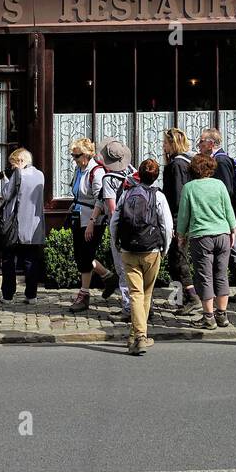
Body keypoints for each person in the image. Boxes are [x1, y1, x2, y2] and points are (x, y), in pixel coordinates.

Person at [114, 156, 174, 355]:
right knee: (145, 294)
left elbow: (115, 220)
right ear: (156, 176)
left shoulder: (127, 193)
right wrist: (165, 247)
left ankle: (136, 335)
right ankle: (141, 336)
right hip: (151, 249)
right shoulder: (158, 196)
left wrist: (116, 242)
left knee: (135, 294)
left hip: (129, 249)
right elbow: (166, 225)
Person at [197, 127, 236, 303]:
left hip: (224, 214)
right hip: (224, 214)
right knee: (232, 248)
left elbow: (226, 190)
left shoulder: (221, 161)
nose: (199, 145)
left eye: (201, 142)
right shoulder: (218, 159)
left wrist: (223, 213)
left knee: (233, 248)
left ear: (210, 143)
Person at [177, 153, 236, 330]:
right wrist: (233, 230)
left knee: (204, 276)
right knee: (221, 274)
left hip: (201, 236)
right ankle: (222, 315)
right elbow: (228, 209)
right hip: (222, 234)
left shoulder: (189, 188)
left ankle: (208, 317)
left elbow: (184, 215)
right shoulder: (219, 185)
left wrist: (181, 235)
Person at [68, 137, 114, 313]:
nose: (75, 159)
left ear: (87, 155)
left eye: (77, 155)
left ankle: (84, 295)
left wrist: (92, 223)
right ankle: (107, 276)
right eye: (73, 155)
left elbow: (100, 199)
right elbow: (77, 192)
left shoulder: (96, 172)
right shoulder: (79, 169)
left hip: (91, 219)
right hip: (78, 216)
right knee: (81, 256)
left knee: (86, 257)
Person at [88, 139, 134, 318]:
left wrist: (115, 235)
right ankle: (145, 307)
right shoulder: (134, 172)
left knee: (123, 269)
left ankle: (128, 309)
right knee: (138, 271)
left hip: (121, 230)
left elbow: (112, 210)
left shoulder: (109, 179)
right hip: (140, 229)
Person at [0, 147, 46, 304]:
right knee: (31, 262)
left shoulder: (19, 175)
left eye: (13, 164)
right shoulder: (40, 174)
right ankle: (31, 295)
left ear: (20, 161)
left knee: (9, 261)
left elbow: (7, 194)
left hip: (16, 227)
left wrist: (5, 178)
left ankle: (7, 296)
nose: (12, 168)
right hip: (34, 227)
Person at [161, 128, 201, 315]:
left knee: (178, 258)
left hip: (177, 217)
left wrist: (173, 220)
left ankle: (191, 296)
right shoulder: (186, 162)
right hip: (183, 216)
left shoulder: (177, 165)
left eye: (166, 143)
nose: (163, 146)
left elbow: (177, 195)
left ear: (173, 144)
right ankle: (178, 298)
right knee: (174, 258)